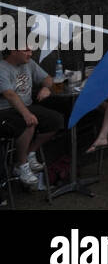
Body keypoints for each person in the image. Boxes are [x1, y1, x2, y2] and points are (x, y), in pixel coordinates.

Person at [0, 47, 62, 190]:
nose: (30, 53)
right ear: (13, 51)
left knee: (56, 120)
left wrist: (46, 88)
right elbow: (10, 95)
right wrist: (26, 114)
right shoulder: (2, 68)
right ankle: (21, 166)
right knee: (28, 123)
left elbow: (47, 79)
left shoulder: (29, 63)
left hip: (27, 105)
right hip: (5, 110)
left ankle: (30, 153)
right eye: (25, 50)